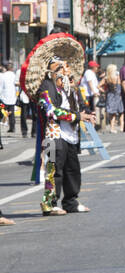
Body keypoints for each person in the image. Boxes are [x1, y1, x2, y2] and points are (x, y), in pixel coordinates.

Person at [28, 36, 94, 215]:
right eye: (62, 68)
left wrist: (86, 113)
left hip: (70, 135)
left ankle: (71, 201)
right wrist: (76, 116)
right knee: (53, 170)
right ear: (52, 72)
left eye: (67, 67)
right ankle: (49, 204)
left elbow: (81, 105)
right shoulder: (46, 87)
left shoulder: (70, 88)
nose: (66, 70)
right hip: (53, 135)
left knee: (73, 169)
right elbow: (51, 111)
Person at [0, 61, 16, 143]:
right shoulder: (14, 75)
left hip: (4, 97)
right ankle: (12, 127)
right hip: (12, 96)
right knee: (11, 113)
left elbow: (1, 86)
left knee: (4, 111)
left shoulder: (3, 75)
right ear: (12, 68)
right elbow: (16, 85)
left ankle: (4, 123)